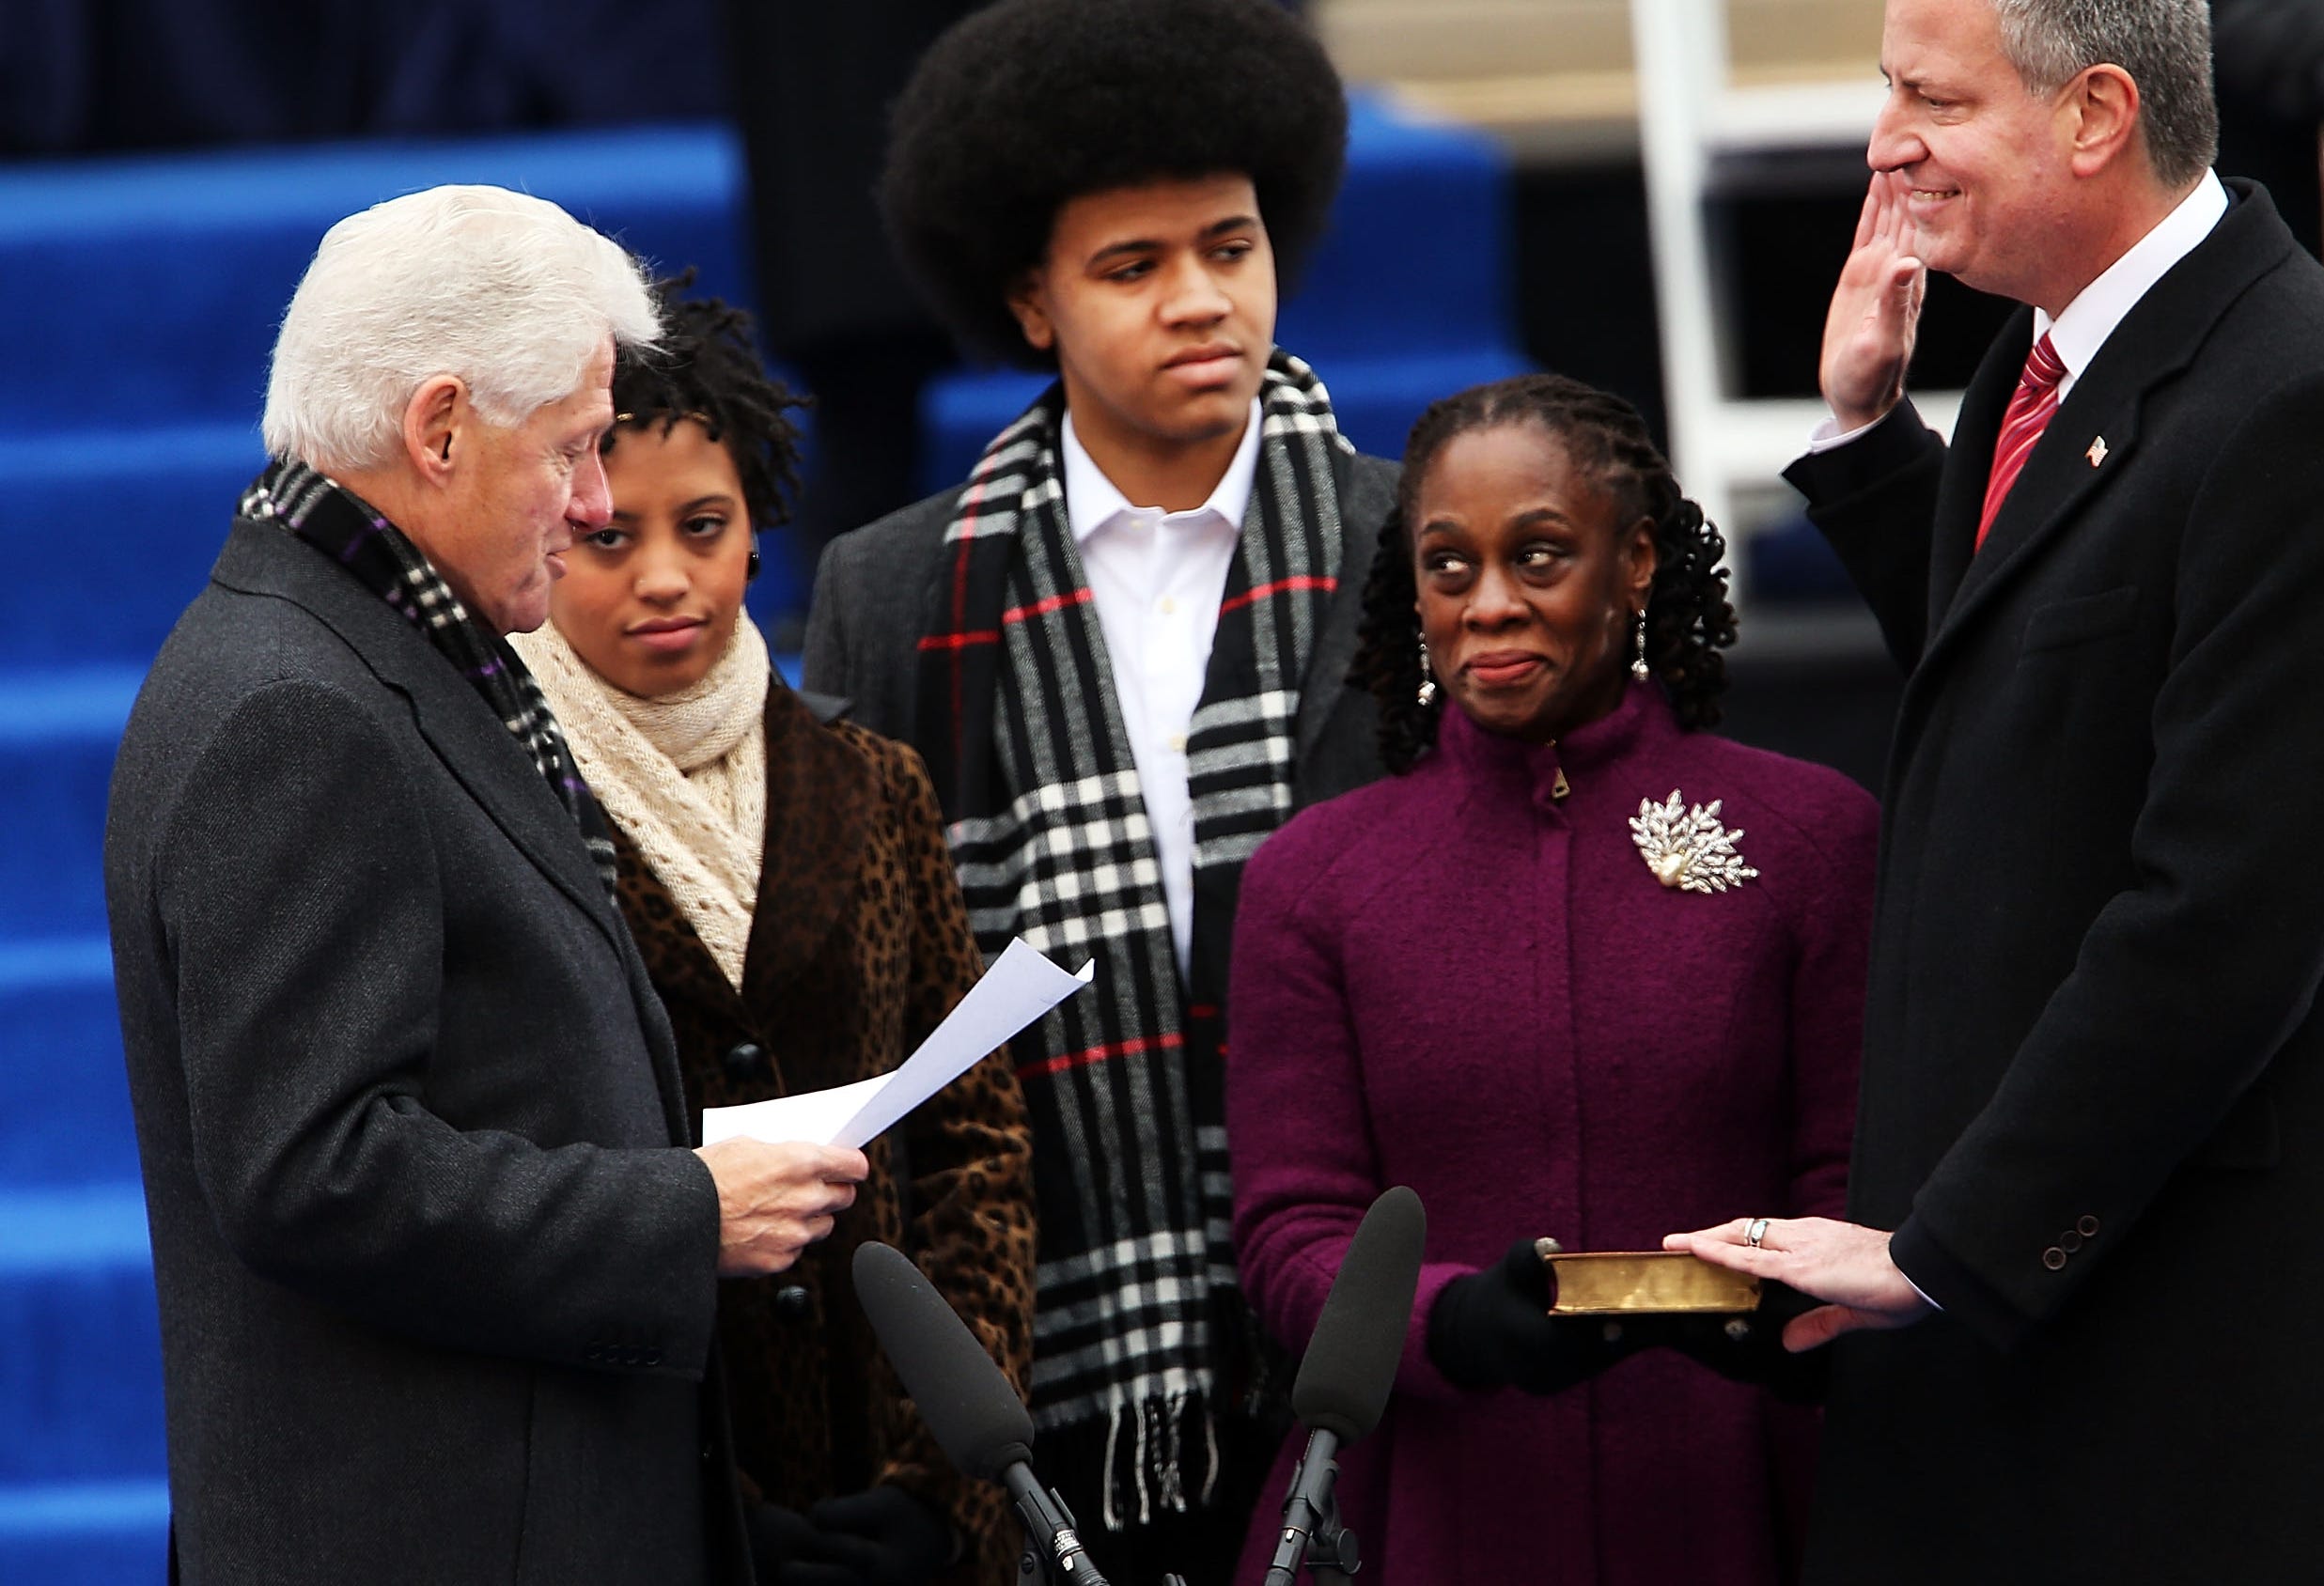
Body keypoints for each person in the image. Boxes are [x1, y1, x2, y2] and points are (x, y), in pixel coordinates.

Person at [1663, 2, 2324, 1581]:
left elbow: (2221, 926)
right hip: (2073, 1354)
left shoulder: (2312, 410)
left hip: (2227, 1392)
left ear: (2095, 114)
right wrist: (1869, 438)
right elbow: (2038, 698)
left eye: (1935, 100)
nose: (1886, 145)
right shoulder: (2045, 355)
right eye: (1889, 92)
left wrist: (1947, 1250)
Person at [101, 185, 866, 1584]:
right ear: (440, 429)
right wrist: (687, 1215)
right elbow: (313, 1171)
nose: (594, 503)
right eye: (573, 449)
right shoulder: (297, 708)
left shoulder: (354, 649)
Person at [801, 1, 1399, 1576]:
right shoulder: (896, 587)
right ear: (1030, 300)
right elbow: (878, 997)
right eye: (1133, 266)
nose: (1201, 299)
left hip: (1374, 1328)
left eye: (1230, 247)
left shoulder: (1412, 539)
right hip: (1055, 1358)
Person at [1225, 373, 1876, 1586]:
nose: (1488, 605)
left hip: (1739, 1493)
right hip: (1426, 1509)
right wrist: (1452, 1323)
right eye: (1449, 566)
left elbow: (1853, 1178)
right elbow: (1290, 1232)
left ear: (1635, 564)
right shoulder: (1311, 881)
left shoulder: (1814, 838)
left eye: (1538, 555)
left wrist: (1784, 1313)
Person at [503, 283, 1036, 1586]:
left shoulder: (875, 785)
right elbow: (518, 1187)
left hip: (892, 1492)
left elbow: (974, 1150)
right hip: (649, 1494)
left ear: (758, 529)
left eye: (705, 526)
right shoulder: (500, 805)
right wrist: (709, 1510)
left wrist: (940, 1486)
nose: (666, 577)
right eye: (612, 538)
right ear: (551, 533)